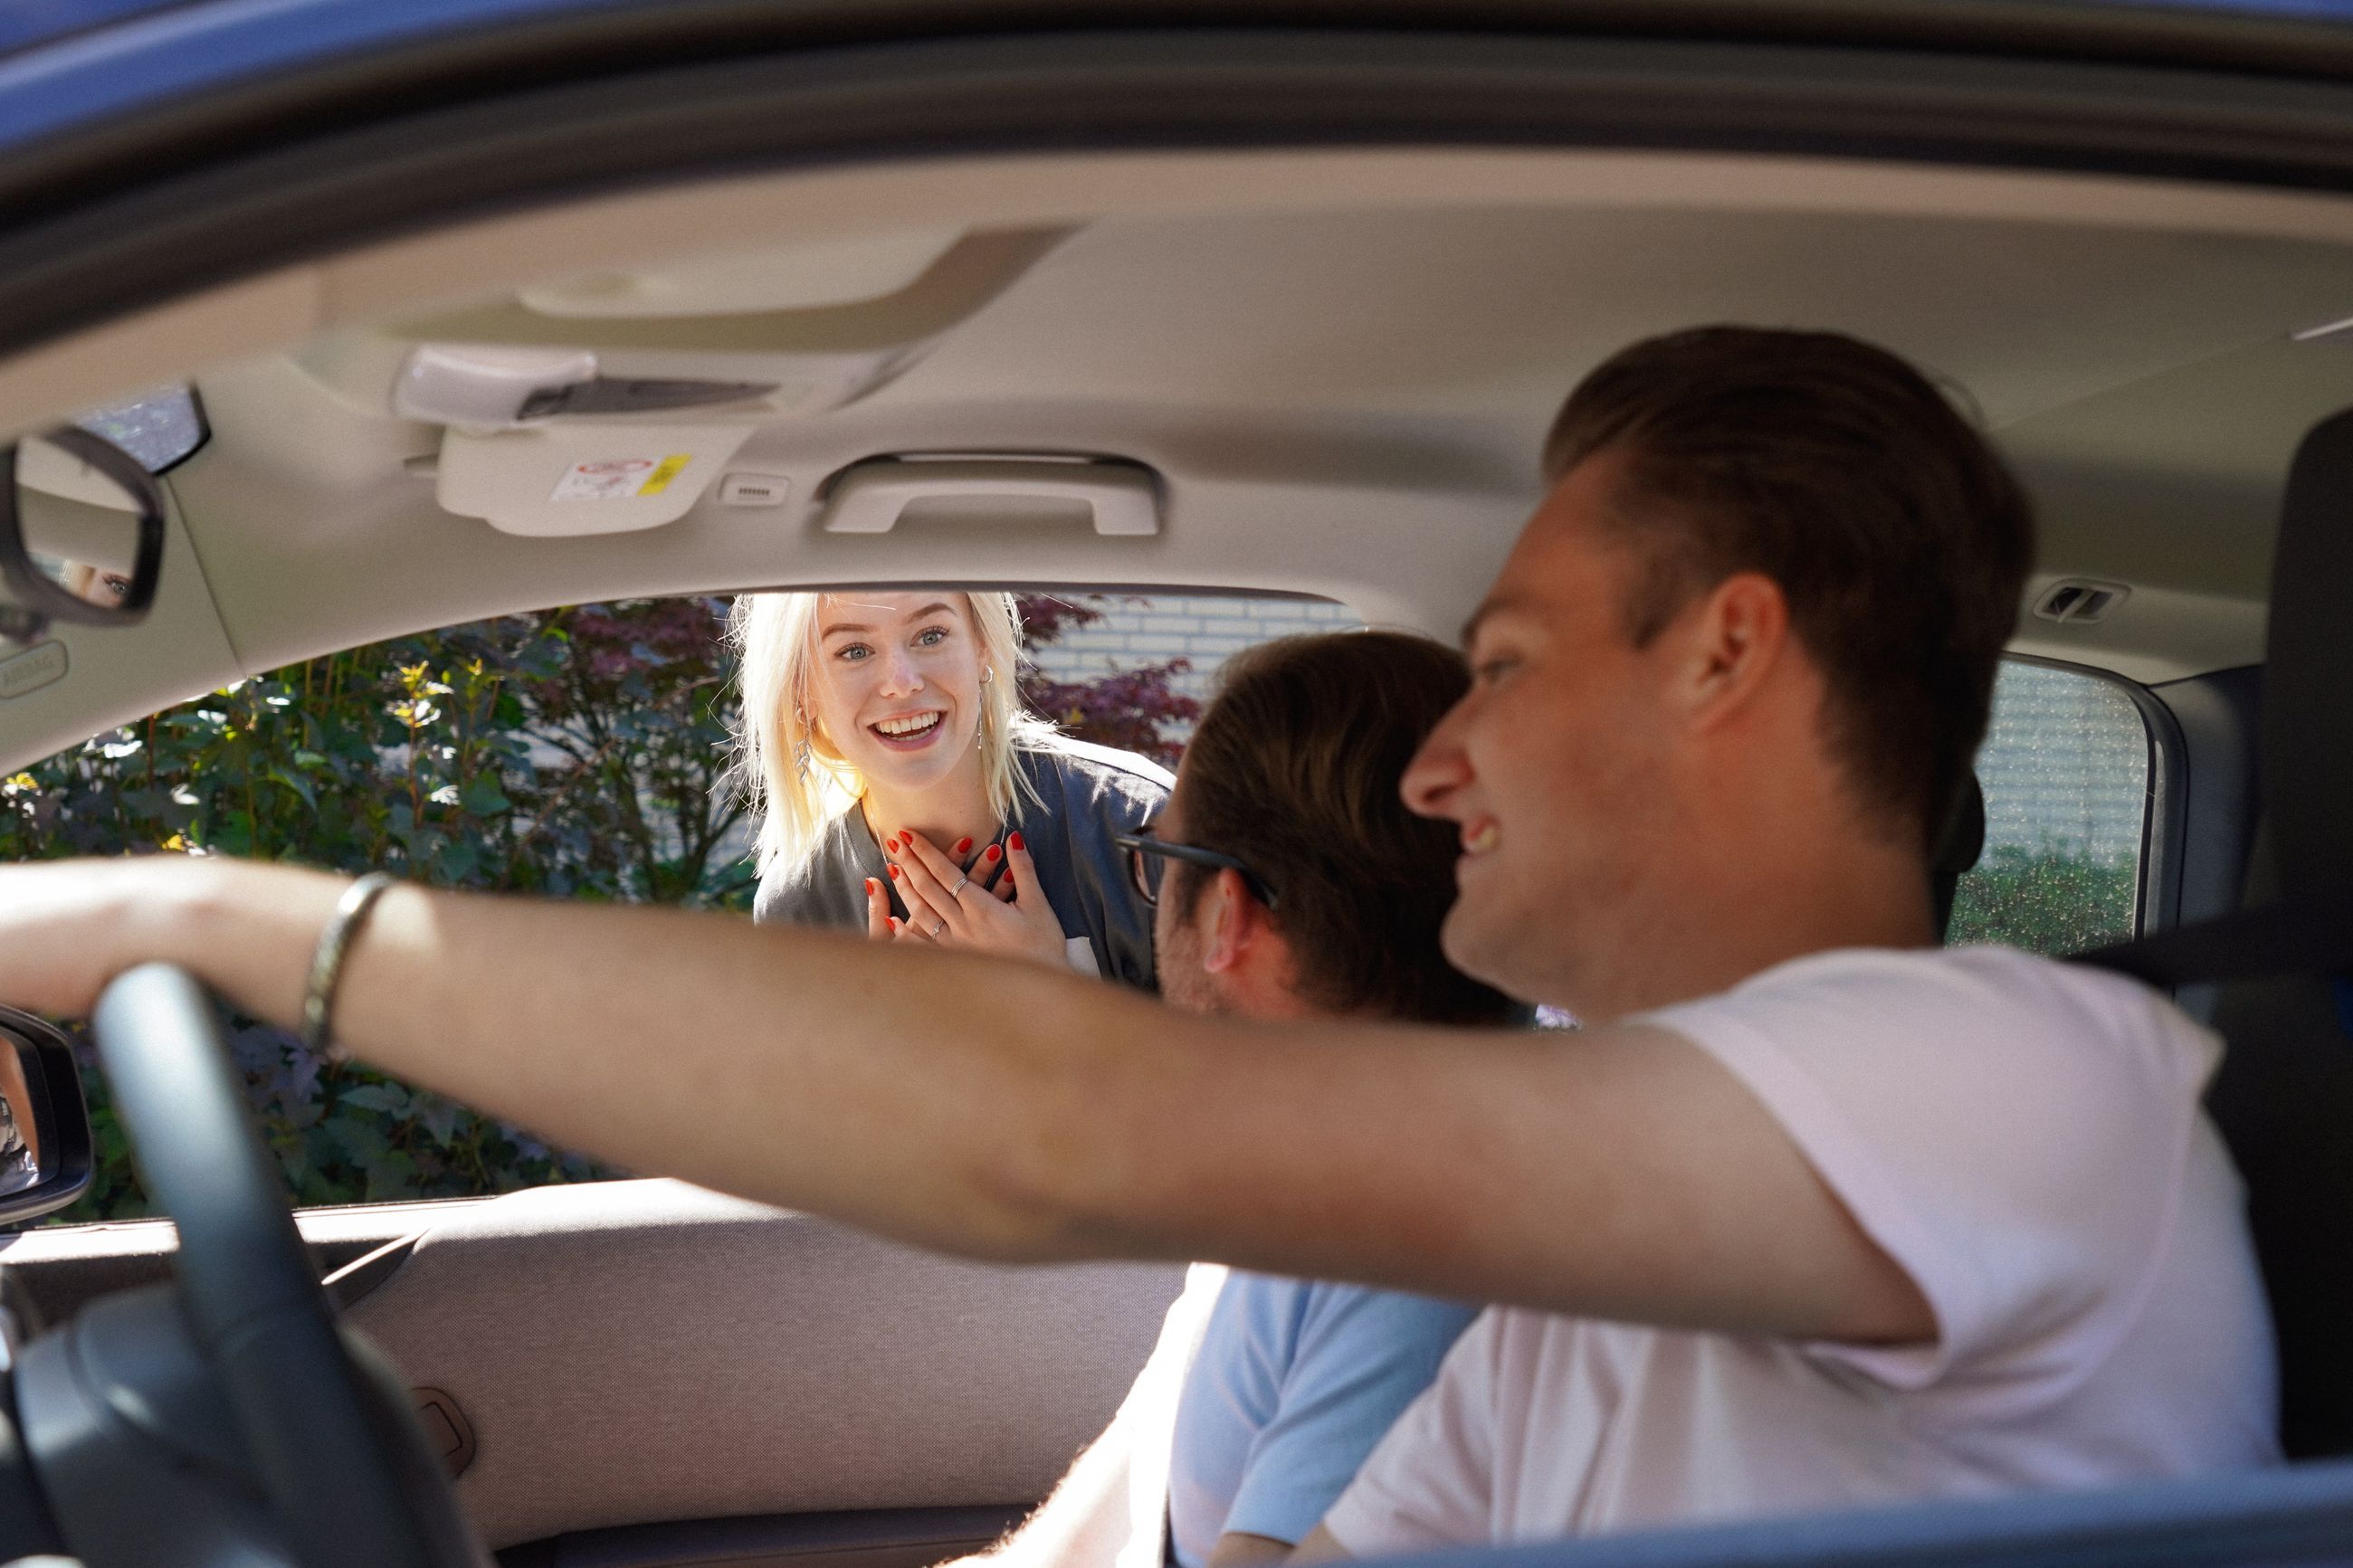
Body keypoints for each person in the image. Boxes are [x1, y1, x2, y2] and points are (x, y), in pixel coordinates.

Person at [0, 326, 2276, 1544]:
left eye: (1495, 661)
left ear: (1724, 655)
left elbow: (1057, 1123)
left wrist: (191, 919)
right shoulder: (1555, 1217)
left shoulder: (2011, 1080)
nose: (1431, 760)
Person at [956, 631, 1520, 1568]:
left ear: (1229, 912)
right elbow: (1104, 1521)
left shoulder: (1406, 1251)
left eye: (1155, 854)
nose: (1151, 885)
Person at [734, 589, 1166, 984]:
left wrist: (1045, 991)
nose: (902, 682)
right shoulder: (796, 905)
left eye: (931, 635)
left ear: (983, 648)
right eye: (855, 651)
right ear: (801, 689)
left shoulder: (1143, 827)